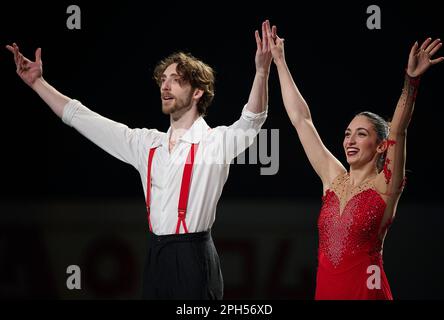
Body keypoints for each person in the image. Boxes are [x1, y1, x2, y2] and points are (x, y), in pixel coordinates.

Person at [6, 20, 273, 300]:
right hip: (156, 256)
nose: (165, 86)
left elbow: (251, 121)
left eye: (175, 80)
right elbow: (82, 117)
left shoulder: (214, 143)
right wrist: (38, 83)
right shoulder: (147, 144)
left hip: (194, 259)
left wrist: (262, 71)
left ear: (197, 92)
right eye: (163, 79)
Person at [264, 21, 444, 299]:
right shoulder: (332, 178)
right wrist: (280, 62)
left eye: (361, 134)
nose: (350, 140)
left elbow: (398, 128)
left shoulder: (386, 185)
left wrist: (411, 81)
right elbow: (302, 120)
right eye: (348, 134)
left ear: (381, 146)